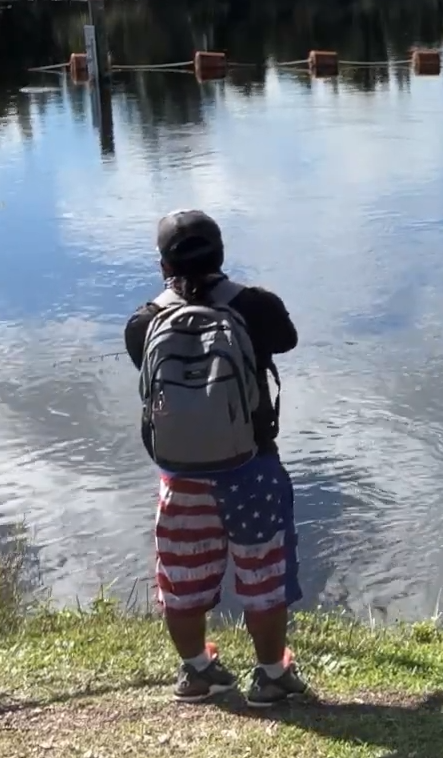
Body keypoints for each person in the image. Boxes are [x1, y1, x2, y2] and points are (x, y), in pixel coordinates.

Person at [124, 209, 310, 707]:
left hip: (179, 475)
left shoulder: (144, 322)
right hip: (251, 467)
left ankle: (197, 670)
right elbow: (287, 339)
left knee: (182, 573)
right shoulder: (255, 306)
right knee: (262, 570)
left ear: (163, 265)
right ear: (221, 253)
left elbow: (144, 366)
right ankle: (271, 675)